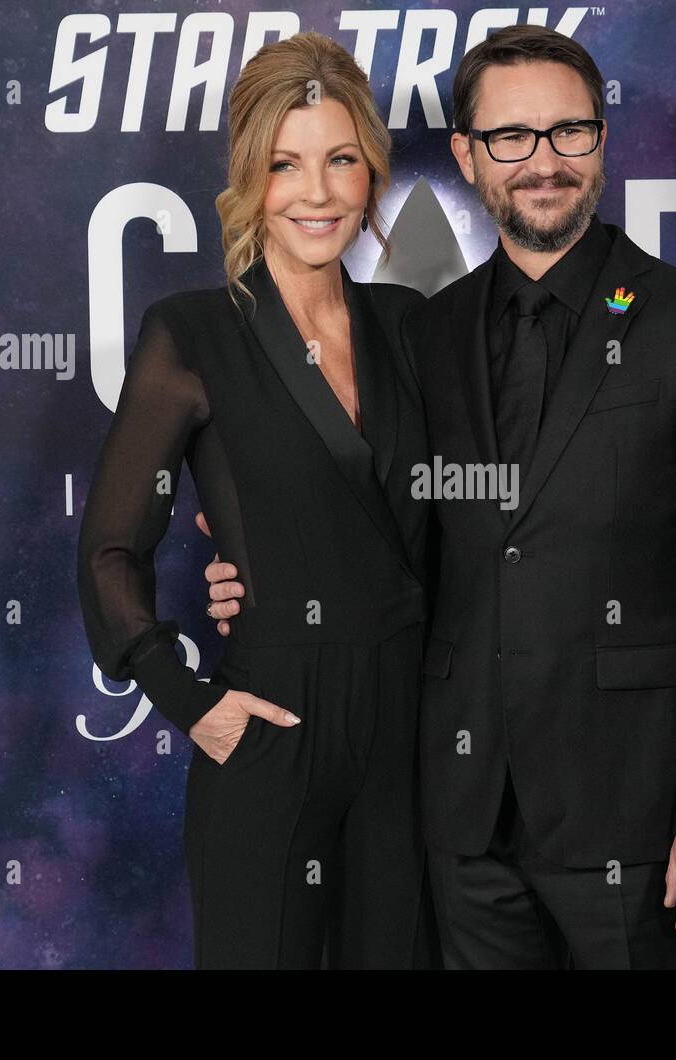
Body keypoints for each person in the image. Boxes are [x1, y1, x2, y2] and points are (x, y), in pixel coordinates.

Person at [204, 24, 676, 970]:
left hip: (633, 825)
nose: (543, 162)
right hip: (459, 819)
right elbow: (381, 531)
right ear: (469, 156)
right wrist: (252, 560)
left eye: (569, 133)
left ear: (601, 143)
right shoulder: (422, 335)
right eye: (512, 138)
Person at [76, 31, 436, 969]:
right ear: (250, 176)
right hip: (270, 727)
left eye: (340, 160)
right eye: (286, 164)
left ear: (372, 172)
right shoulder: (192, 333)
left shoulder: (411, 328)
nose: (317, 192)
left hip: (408, 737)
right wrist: (189, 700)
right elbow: (110, 547)